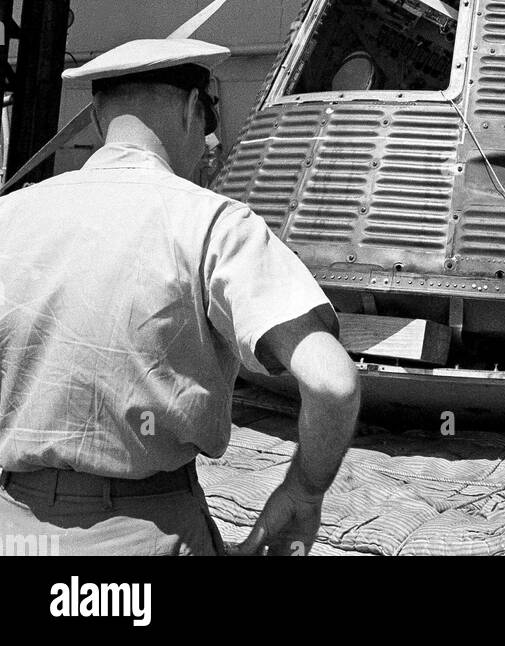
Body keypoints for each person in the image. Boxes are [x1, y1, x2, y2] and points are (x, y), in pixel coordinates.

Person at [0, 38, 359, 556]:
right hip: (150, 532)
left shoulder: (10, 217)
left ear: (99, 119)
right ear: (195, 109)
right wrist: (302, 491)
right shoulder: (215, 225)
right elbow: (333, 384)